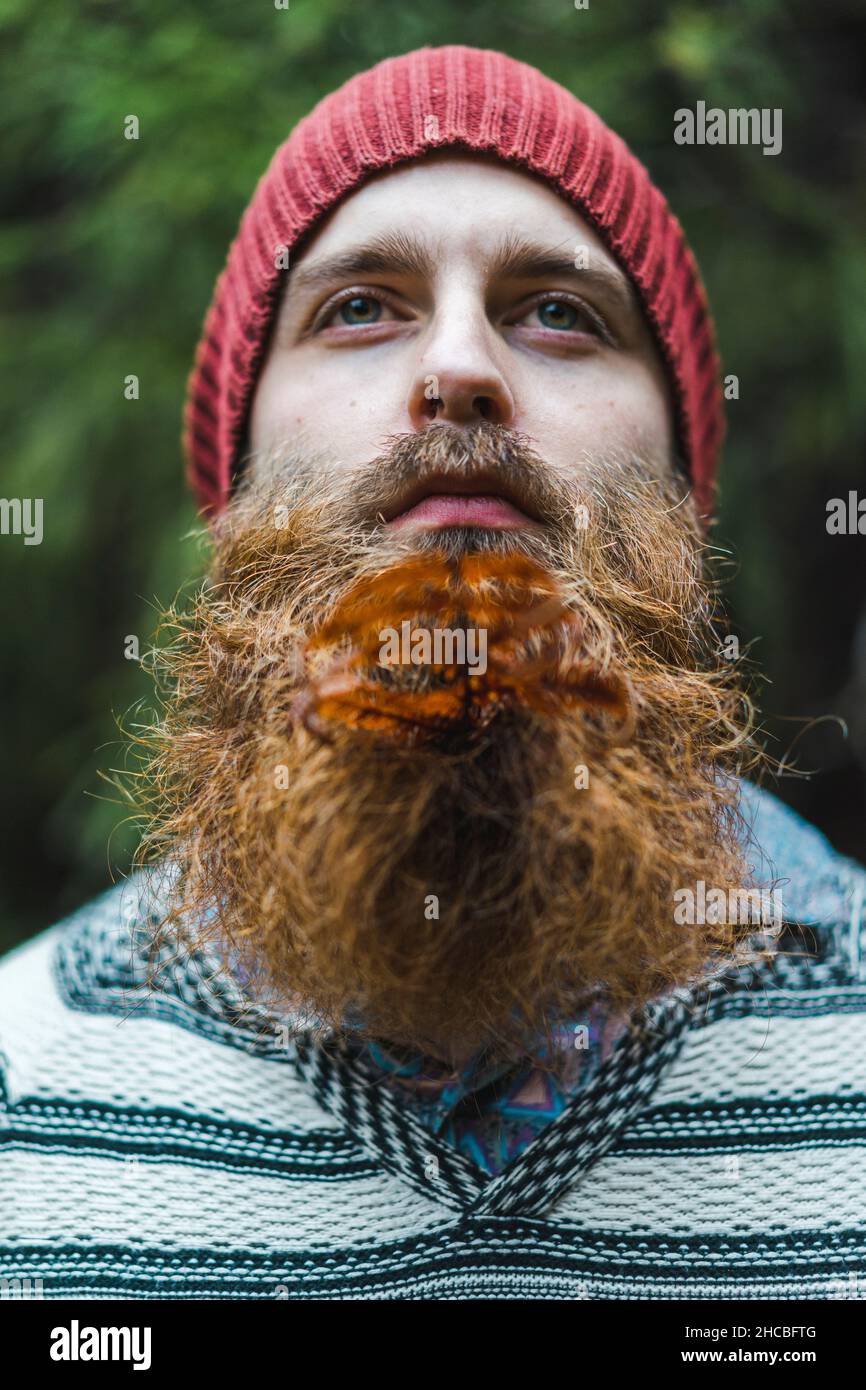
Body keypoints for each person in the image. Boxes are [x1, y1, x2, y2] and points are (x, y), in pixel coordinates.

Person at [2, 45, 864, 1301]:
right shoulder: (23, 1085)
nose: (456, 368)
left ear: (684, 501)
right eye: (359, 306)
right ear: (232, 500)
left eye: (556, 312)